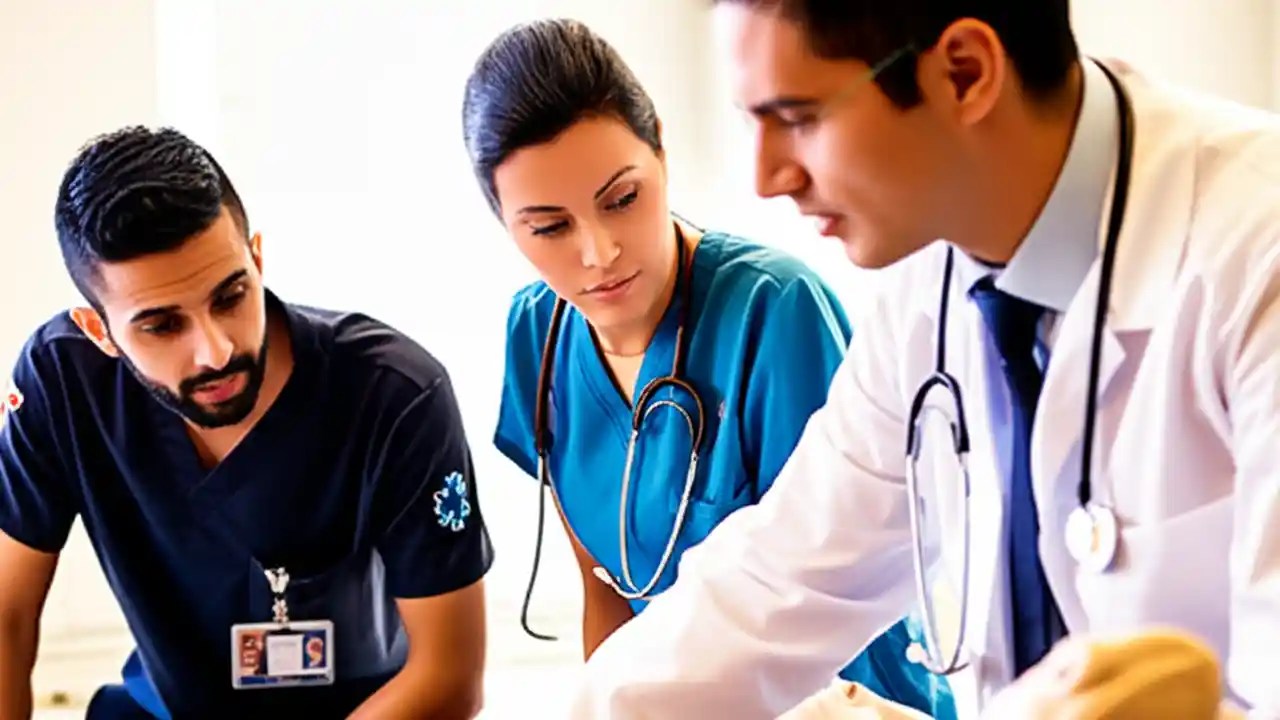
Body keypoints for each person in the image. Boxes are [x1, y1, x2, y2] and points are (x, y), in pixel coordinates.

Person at [567, 0, 1280, 717]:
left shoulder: (1256, 252)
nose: (768, 175)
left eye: (799, 117)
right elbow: (777, 581)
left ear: (965, 73)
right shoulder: (932, 278)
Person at [462, 18, 954, 720]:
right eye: (549, 226)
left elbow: (830, 601)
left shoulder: (773, 311)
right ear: (503, 220)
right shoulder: (536, 337)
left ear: (660, 146)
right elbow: (609, 593)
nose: (598, 253)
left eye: (621, 199)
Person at [0, 126, 494, 718]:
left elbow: (449, 677)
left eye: (231, 296)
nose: (215, 350)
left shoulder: (395, 394)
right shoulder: (63, 383)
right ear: (99, 330)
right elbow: (6, 614)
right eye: (162, 326)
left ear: (256, 258)